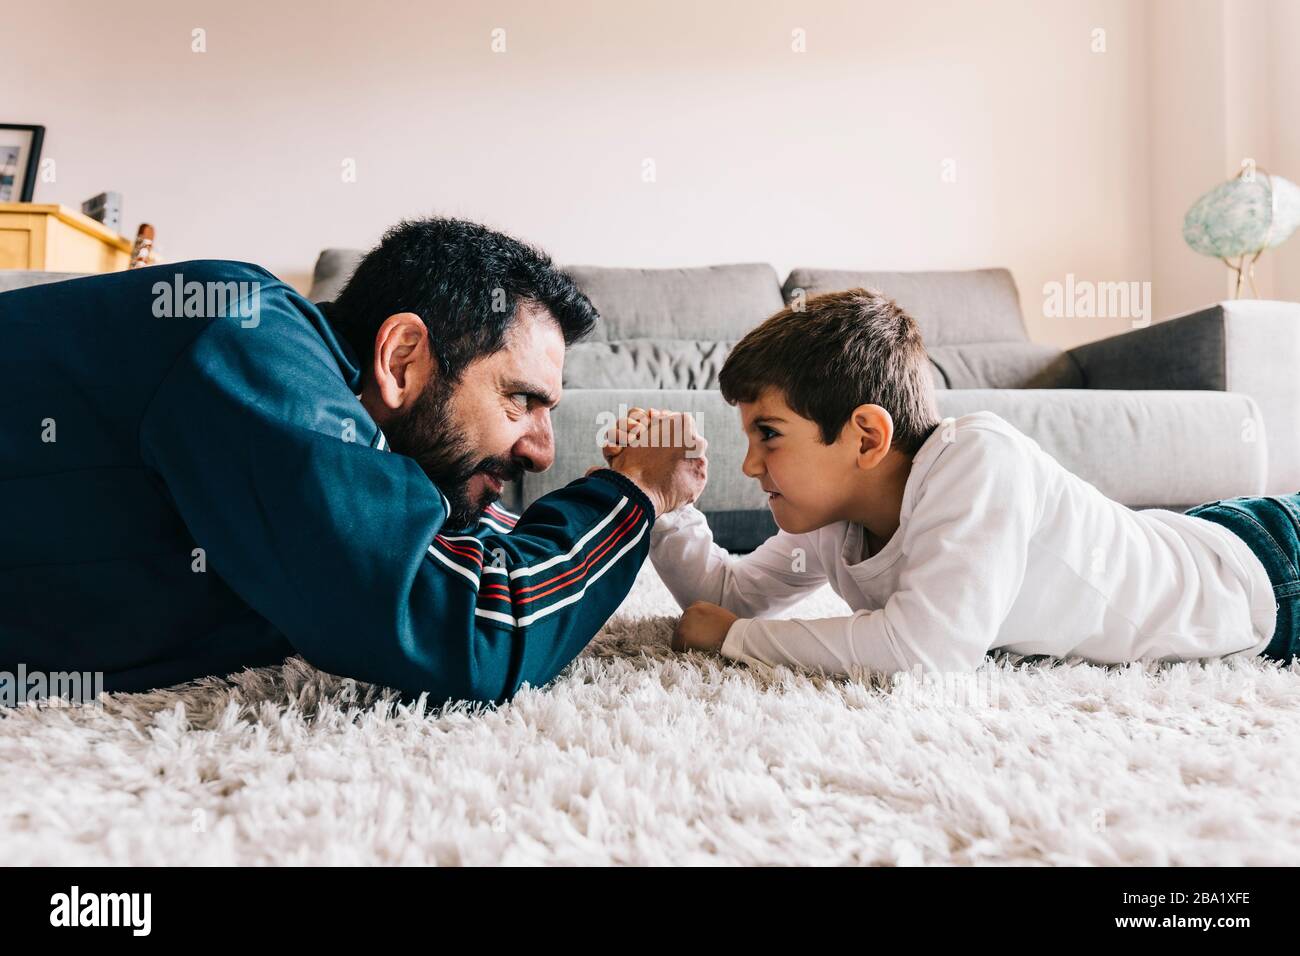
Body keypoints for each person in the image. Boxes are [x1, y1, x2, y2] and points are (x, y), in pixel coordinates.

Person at [0, 217, 706, 703]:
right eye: (521, 399)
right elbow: (467, 626)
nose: (544, 448)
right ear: (402, 358)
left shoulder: (355, 438)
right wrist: (631, 492)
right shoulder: (243, 332)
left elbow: (460, 550)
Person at [641, 288, 1293, 676]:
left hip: (1263, 577)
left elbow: (926, 652)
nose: (750, 466)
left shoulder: (979, 459)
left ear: (866, 437)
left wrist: (736, 640)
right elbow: (723, 596)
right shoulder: (837, 516)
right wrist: (664, 504)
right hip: (1204, 537)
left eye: (770, 435)